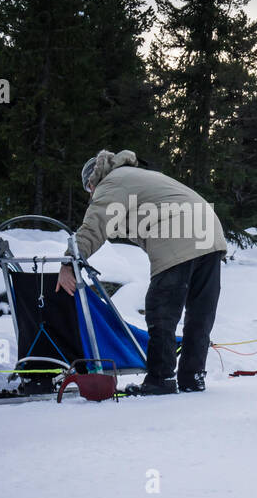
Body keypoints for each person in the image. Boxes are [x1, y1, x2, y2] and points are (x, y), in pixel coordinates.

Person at [60, 149, 226, 395]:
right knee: (199, 313)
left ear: (92, 182)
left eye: (89, 191)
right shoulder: (136, 175)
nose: (91, 196)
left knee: (161, 309)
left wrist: (69, 262)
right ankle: (193, 376)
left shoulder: (112, 181)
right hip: (210, 233)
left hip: (180, 233)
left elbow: (95, 225)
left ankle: (161, 379)